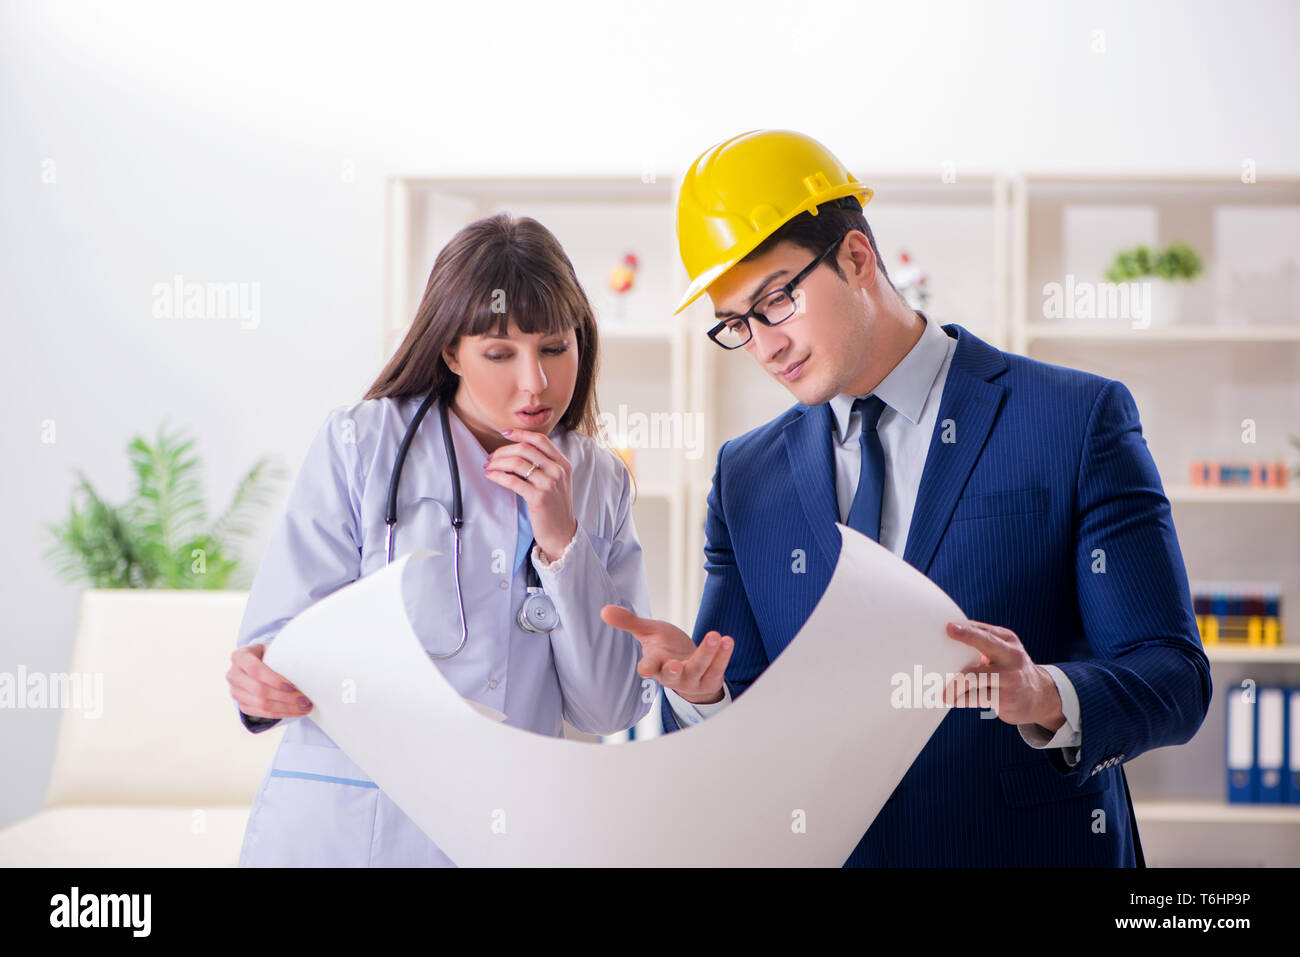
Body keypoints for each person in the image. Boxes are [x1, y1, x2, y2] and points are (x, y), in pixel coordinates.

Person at [602, 129, 1212, 866]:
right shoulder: (746, 477)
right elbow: (745, 734)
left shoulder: (1073, 421)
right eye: (737, 324)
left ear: (857, 257)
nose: (764, 346)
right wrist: (704, 697)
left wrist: (1046, 693)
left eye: (777, 302)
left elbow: (1173, 675)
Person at [228, 212, 653, 867]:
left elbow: (608, 707)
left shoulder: (599, 483)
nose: (534, 383)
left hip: (515, 831)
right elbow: (277, 640)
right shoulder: (360, 445)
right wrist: (262, 681)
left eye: (553, 347)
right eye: (499, 353)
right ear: (451, 350)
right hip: (355, 831)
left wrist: (563, 542)